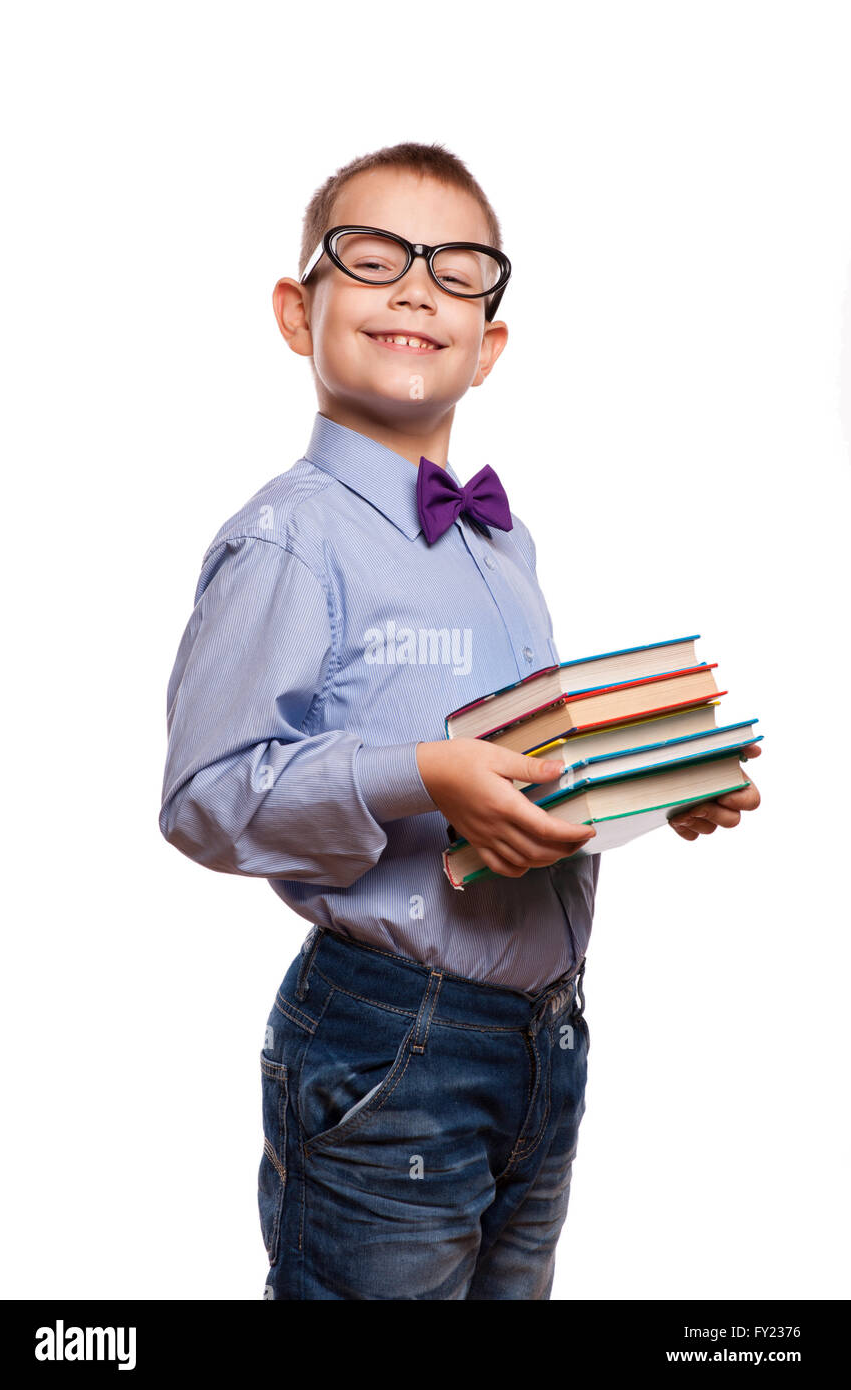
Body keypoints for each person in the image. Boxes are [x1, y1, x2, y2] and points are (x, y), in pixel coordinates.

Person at [159, 141, 761, 1300]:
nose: (417, 286)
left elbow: (518, 768)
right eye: (374, 257)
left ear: (487, 344)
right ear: (299, 312)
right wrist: (418, 774)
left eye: (457, 269)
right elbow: (205, 795)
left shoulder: (502, 543)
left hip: (541, 1041)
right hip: (393, 1041)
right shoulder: (290, 536)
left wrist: (652, 784)